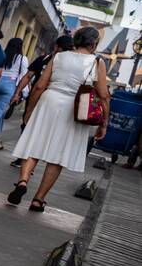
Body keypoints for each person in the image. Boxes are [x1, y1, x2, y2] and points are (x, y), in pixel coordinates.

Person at [8, 26, 110, 212]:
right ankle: (38, 200)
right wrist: (104, 122)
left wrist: (29, 111)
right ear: (94, 44)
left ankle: (22, 182)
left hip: (49, 101)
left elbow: (39, 85)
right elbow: (103, 95)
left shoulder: (59, 56)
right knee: (58, 156)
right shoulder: (97, 62)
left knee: (34, 144)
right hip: (75, 107)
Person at [9, 34, 75, 166]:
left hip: (40, 99)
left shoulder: (49, 60)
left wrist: (17, 93)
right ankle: (27, 160)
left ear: (57, 46)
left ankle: (25, 159)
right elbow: (28, 76)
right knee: (37, 130)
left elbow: (29, 78)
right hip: (51, 102)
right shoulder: (66, 64)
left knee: (28, 127)